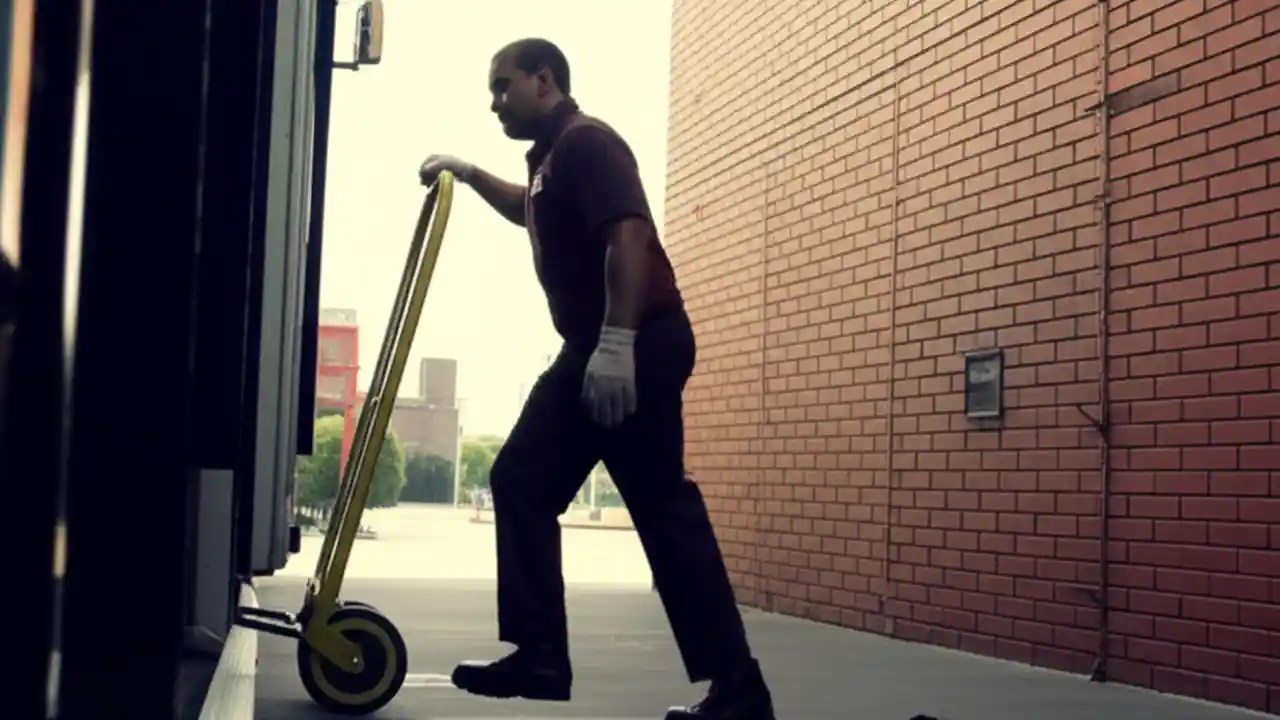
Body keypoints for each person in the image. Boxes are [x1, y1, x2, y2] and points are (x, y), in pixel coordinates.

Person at [417, 38, 776, 720]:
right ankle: (546, 656)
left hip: (633, 340)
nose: (494, 102)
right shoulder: (552, 160)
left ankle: (736, 689)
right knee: (527, 480)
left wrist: (618, 342)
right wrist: (467, 174)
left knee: (659, 509)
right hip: (595, 344)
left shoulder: (587, 142)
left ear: (542, 79)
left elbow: (630, 236)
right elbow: (529, 206)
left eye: (503, 87)